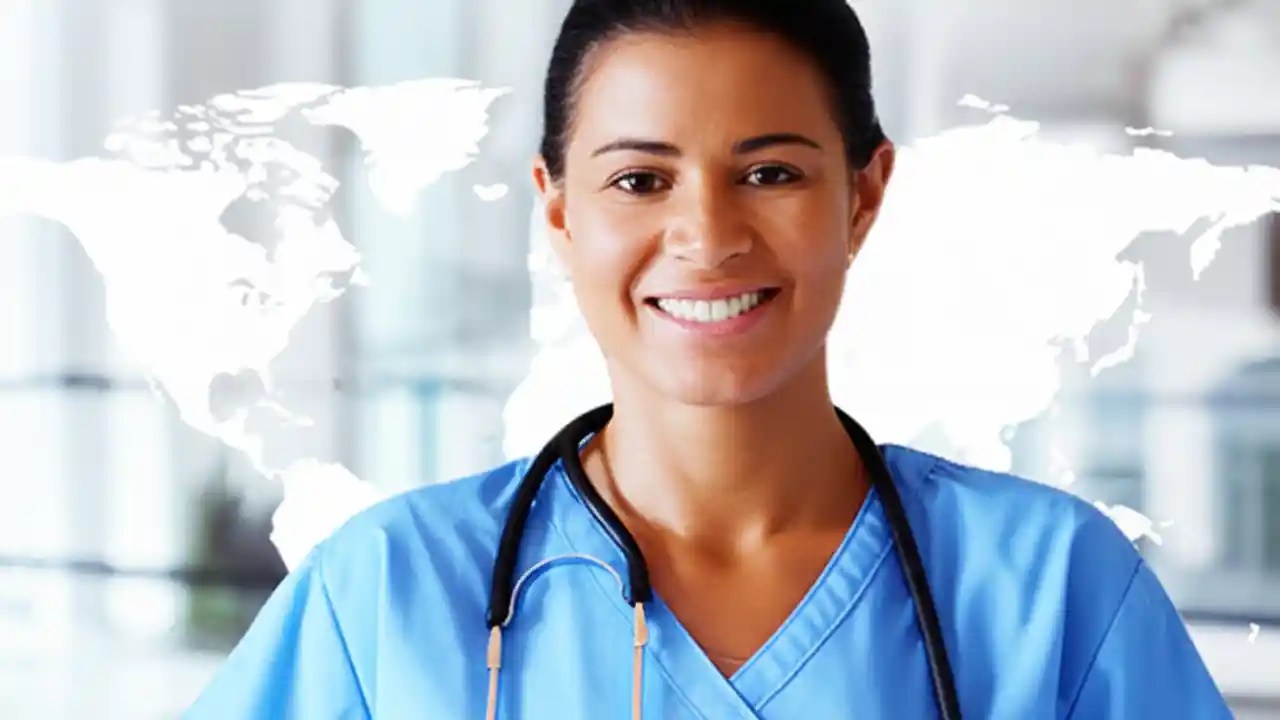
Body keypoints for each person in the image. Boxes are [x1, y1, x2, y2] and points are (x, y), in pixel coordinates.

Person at [185, 1, 1232, 717]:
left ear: (861, 196)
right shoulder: (385, 594)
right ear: (556, 207)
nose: (706, 235)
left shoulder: (1047, 589)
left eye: (770, 173)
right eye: (639, 181)